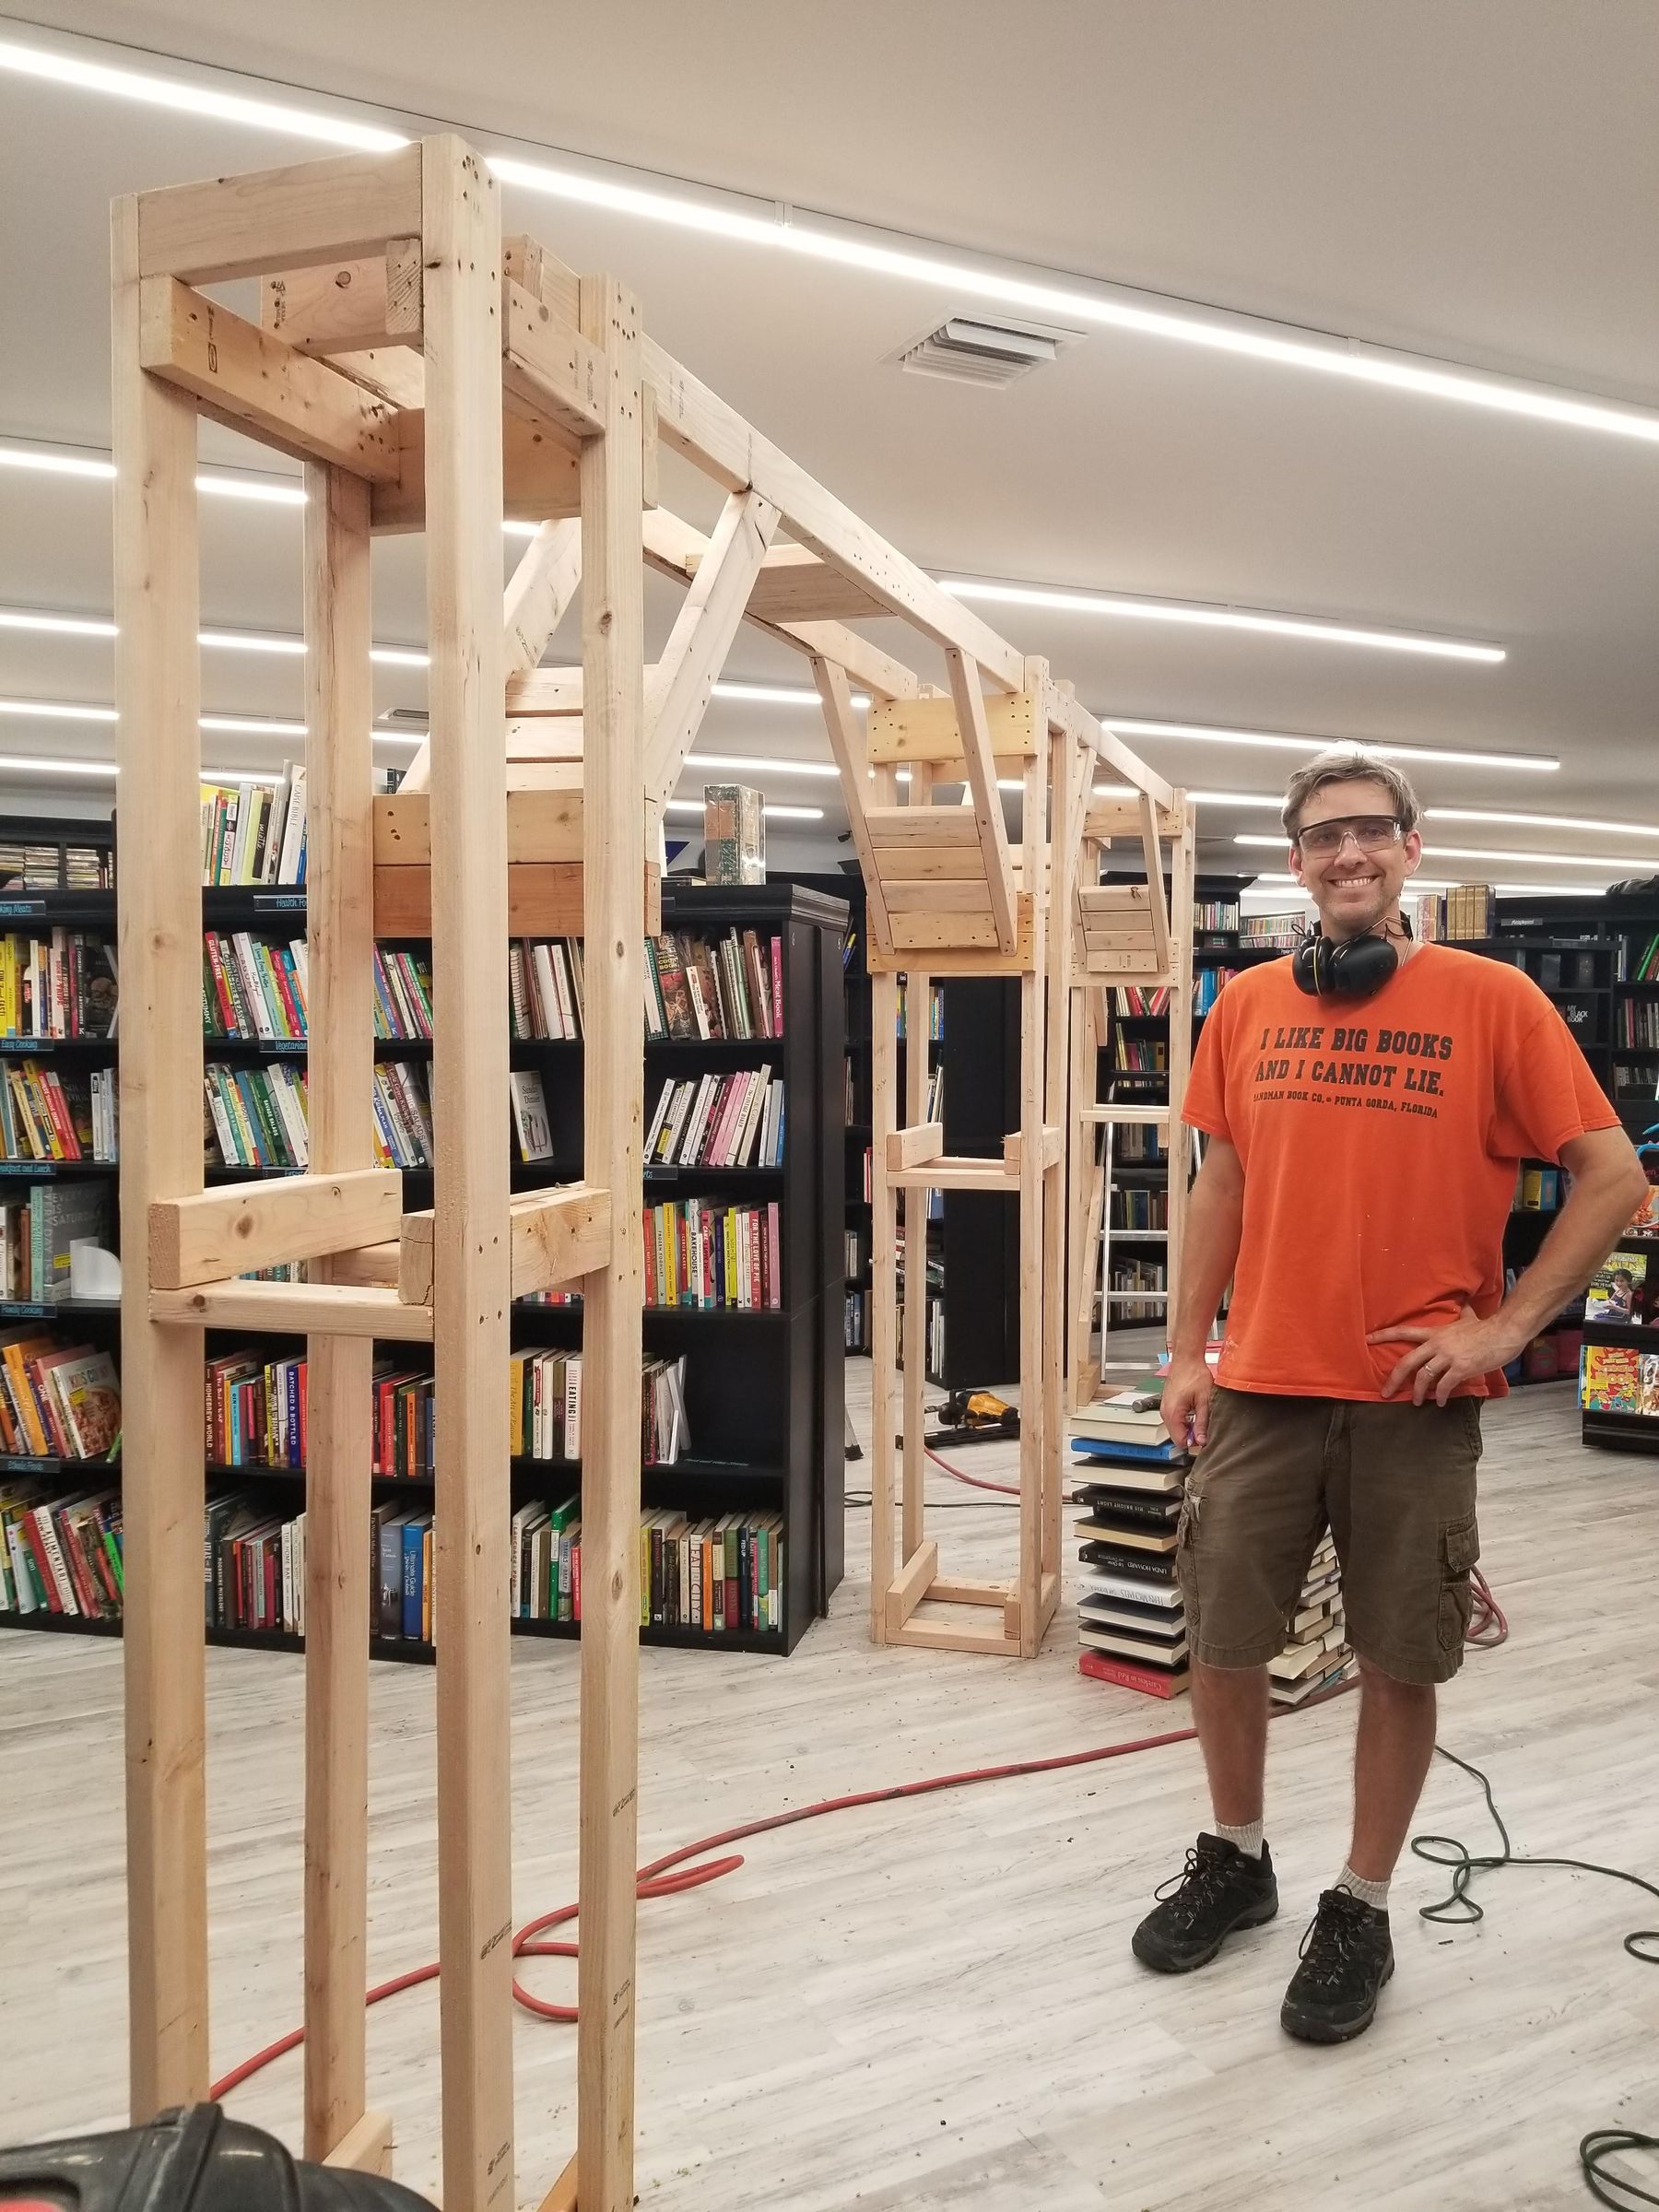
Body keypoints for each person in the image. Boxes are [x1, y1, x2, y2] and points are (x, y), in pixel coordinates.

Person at [1130, 746, 1648, 2042]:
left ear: (1412, 849)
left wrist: (1509, 1327)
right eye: (1322, 836)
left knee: (1399, 1653)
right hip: (1261, 1383)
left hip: (1413, 1401)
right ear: (1297, 862)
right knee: (1223, 1637)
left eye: (1371, 830)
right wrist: (1186, 1351)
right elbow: (1222, 1184)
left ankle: (1360, 1903)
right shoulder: (1250, 1005)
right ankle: (1237, 1856)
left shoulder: (1494, 999)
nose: (1348, 853)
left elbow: (1613, 1176)